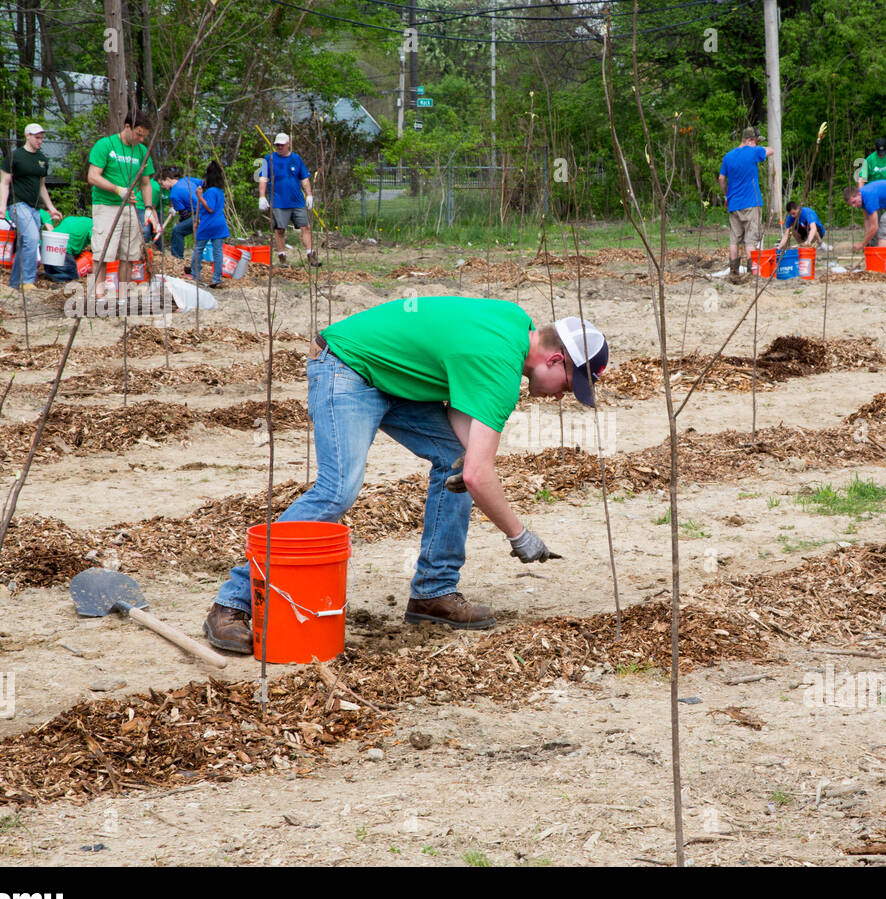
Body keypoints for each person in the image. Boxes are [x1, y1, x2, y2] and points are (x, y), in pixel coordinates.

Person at [202, 298, 610, 654]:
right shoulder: (500, 365)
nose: (562, 396)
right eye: (569, 386)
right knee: (336, 490)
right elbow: (479, 475)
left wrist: (469, 466)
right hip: (347, 365)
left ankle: (433, 593)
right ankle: (232, 602)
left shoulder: (512, 322)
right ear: (555, 360)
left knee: (455, 463)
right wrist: (520, 536)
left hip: (396, 380)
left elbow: (458, 417)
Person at [87, 112, 158, 299]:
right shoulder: (106, 145)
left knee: (129, 254)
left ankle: (123, 297)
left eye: (144, 136)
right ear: (128, 127)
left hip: (132, 208)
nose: (141, 139)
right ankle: (98, 295)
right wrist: (118, 190)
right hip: (107, 205)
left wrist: (149, 208)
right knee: (103, 252)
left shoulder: (142, 151)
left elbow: (145, 183)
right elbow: (93, 176)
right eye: (138, 134)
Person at [0, 123, 63, 293]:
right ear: (27, 136)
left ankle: (13, 285)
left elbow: (42, 186)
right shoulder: (15, 157)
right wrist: (2, 208)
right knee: (32, 239)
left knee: (24, 244)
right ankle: (28, 281)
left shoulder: (42, 160)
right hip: (18, 204)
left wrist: (51, 208)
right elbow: (4, 183)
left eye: (41, 137)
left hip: (34, 208)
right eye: (37, 137)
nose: (40, 140)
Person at [717, 126, 774, 281]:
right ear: (750, 140)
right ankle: (751, 273)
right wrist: (756, 147)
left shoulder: (728, 156)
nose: (756, 144)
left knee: (734, 239)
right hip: (751, 203)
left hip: (734, 203)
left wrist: (726, 195)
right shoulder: (753, 151)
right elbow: (771, 150)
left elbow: (721, 179)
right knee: (750, 239)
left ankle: (733, 271)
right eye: (756, 141)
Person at [259, 133, 319, 267]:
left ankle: (311, 256)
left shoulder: (296, 159)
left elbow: (304, 178)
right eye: (277, 145)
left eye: (281, 145)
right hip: (279, 202)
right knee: (280, 229)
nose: (279, 147)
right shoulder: (268, 159)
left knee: (306, 227)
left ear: (288, 144)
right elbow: (263, 178)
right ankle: (282, 258)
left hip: (297, 201)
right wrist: (262, 197)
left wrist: (309, 194)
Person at [845, 180, 886, 261]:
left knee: (883, 229)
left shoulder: (868, 197)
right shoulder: (862, 198)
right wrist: (867, 243)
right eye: (851, 204)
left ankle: (880, 265)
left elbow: (874, 227)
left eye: (854, 202)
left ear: (859, 194)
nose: (854, 206)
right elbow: (867, 220)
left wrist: (862, 244)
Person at [192, 160, 229, 289]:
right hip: (219, 224)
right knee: (218, 251)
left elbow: (210, 208)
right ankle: (216, 279)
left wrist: (200, 196)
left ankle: (195, 275)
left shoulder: (212, 191)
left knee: (198, 249)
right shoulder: (220, 191)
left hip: (209, 224)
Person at [39, 214, 93, 283]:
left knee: (53, 269)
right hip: (60, 248)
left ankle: (49, 276)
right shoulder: (93, 225)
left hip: (45, 244)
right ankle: (56, 278)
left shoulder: (72, 219)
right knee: (72, 276)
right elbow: (96, 241)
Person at [164, 166, 203, 259]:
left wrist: (179, 222)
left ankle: (177, 258)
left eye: (162, 184)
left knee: (177, 231)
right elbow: (204, 183)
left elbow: (184, 215)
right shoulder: (187, 180)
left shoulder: (173, 194)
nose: (163, 187)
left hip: (200, 215)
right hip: (208, 210)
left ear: (168, 179)